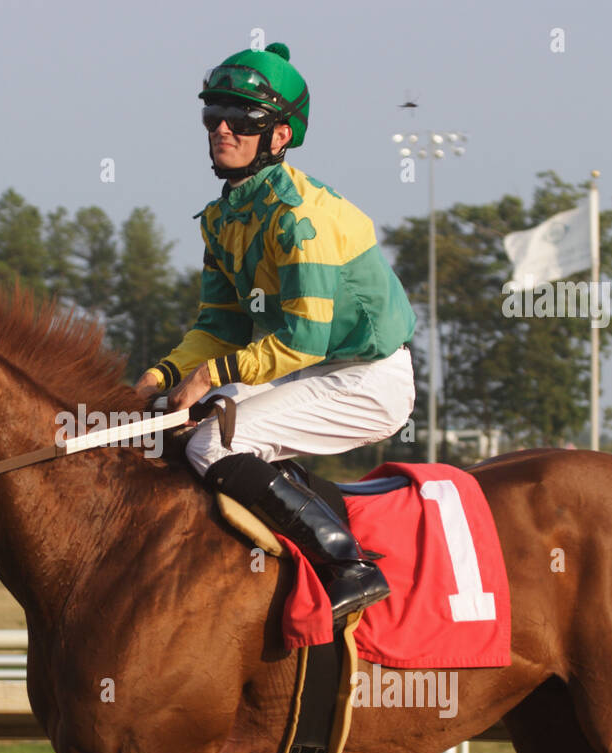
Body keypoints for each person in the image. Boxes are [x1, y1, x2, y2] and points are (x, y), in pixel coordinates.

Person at [133, 42, 417, 621]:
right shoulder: (222, 218)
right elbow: (220, 326)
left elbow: (305, 340)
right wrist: (160, 375)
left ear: (280, 136)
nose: (223, 130)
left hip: (365, 377)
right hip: (304, 368)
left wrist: (209, 375)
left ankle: (349, 565)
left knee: (213, 439)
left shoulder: (300, 221)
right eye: (214, 117)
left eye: (243, 121)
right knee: (173, 421)